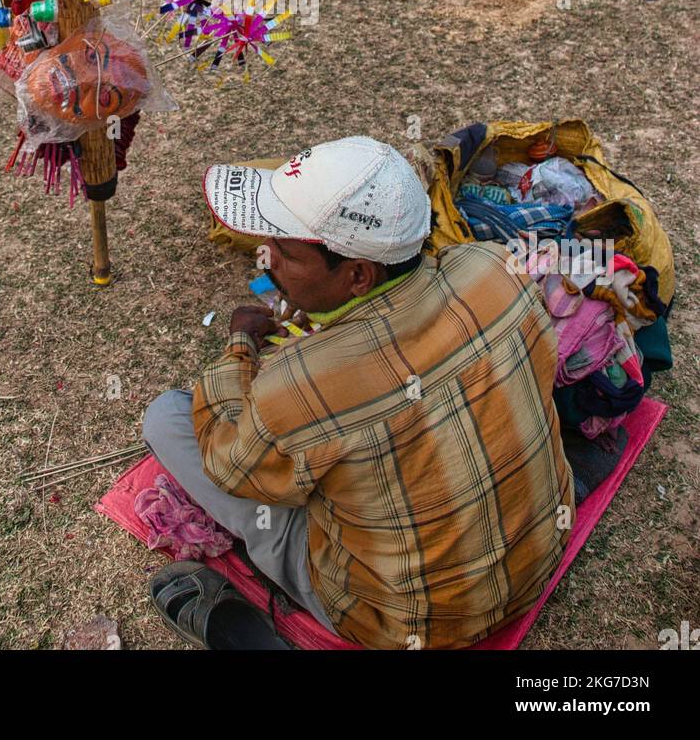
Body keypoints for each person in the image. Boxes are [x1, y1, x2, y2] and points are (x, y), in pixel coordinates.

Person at [143, 135, 573, 650]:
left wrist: (239, 347)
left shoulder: (298, 382)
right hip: (540, 555)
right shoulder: (494, 267)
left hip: (404, 624)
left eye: (283, 251)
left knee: (167, 417)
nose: (266, 261)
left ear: (358, 275)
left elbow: (233, 466)